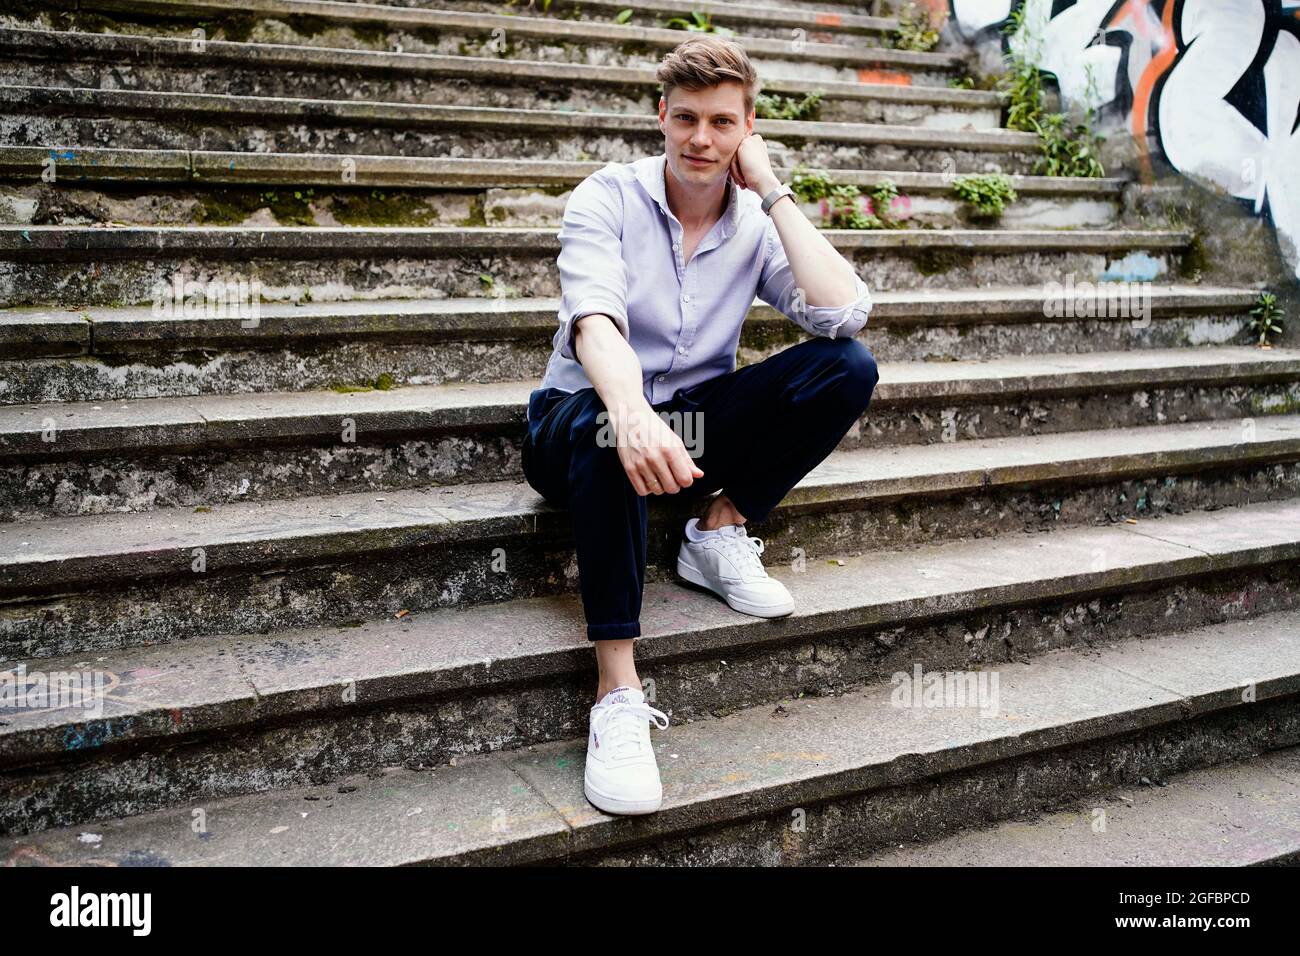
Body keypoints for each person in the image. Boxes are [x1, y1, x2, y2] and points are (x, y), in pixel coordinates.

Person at [520, 35, 879, 815]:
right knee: (604, 430)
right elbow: (595, 322)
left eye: (722, 122)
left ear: (747, 131)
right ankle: (618, 692)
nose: (701, 139)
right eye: (686, 118)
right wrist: (630, 411)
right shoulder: (607, 197)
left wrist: (774, 191)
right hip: (577, 424)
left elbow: (842, 310)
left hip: (688, 430)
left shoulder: (752, 221)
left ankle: (716, 530)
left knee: (847, 366)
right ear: (662, 117)